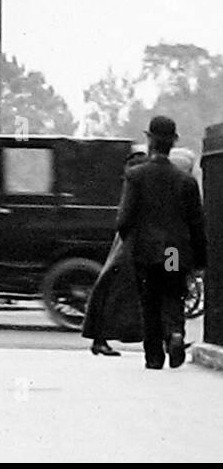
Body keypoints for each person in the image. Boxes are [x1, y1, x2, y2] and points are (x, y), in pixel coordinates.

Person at [117, 116, 208, 369]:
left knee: (149, 301)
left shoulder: (136, 176)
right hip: (172, 251)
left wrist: (130, 244)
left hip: (145, 251)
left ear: (150, 140)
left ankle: (154, 356)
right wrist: (200, 260)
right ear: (173, 142)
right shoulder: (186, 181)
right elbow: (197, 224)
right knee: (172, 294)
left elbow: (124, 220)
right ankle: (176, 333)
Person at [82, 145, 148, 355]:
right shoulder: (143, 181)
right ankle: (169, 336)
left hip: (131, 242)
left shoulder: (134, 181)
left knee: (112, 287)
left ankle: (99, 338)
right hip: (141, 244)